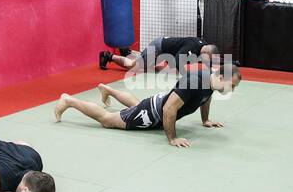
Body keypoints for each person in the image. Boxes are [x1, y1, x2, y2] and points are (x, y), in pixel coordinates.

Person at [54, 62, 241, 148]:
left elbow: (205, 98)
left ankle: (108, 90)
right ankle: (69, 100)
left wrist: (205, 119)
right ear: (221, 77)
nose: (231, 90)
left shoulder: (210, 83)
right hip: (154, 113)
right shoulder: (195, 80)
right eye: (231, 85)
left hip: (154, 105)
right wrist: (172, 138)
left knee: (136, 105)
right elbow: (169, 109)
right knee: (107, 120)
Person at [101, 36, 219, 73]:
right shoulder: (192, 47)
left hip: (163, 50)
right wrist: (187, 75)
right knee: (134, 67)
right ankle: (108, 56)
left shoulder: (203, 45)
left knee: (151, 67)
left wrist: (212, 71)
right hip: (158, 47)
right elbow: (177, 62)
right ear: (205, 52)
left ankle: (129, 52)